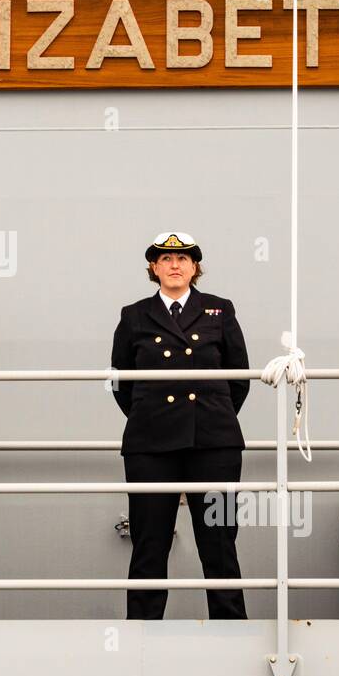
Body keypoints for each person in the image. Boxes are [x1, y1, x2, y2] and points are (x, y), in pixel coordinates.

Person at [110, 232, 250, 619]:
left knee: (219, 541)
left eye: (183, 259)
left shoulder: (220, 310)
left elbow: (239, 377)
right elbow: (120, 380)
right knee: (149, 541)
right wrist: (150, 415)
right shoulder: (134, 314)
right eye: (166, 259)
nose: (175, 265)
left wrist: (212, 416)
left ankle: (230, 626)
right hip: (151, 444)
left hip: (213, 442)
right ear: (153, 268)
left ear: (195, 268)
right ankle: (142, 628)